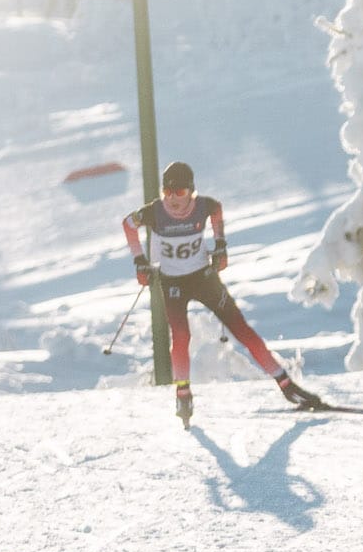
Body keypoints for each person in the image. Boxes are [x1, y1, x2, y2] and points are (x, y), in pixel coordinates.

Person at [122, 161, 325, 422]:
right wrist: (140, 261)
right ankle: (183, 393)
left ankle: (286, 385)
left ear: (191, 192)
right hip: (172, 282)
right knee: (181, 336)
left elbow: (217, 210)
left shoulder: (204, 206)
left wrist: (220, 245)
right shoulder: (154, 212)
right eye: (167, 193)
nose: (173, 199)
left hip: (203, 278)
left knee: (242, 329)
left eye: (180, 192)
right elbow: (128, 224)